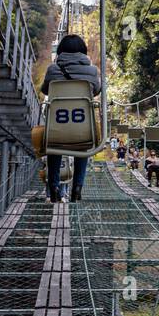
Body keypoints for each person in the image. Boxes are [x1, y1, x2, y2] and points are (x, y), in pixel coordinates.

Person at [40, 34, 102, 203]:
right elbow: (97, 91)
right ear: (83, 51)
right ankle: (77, 187)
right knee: (83, 145)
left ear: (60, 51)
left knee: (54, 146)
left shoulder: (53, 70)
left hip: (57, 126)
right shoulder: (92, 71)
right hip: (82, 127)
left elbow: (45, 90)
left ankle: (53, 186)